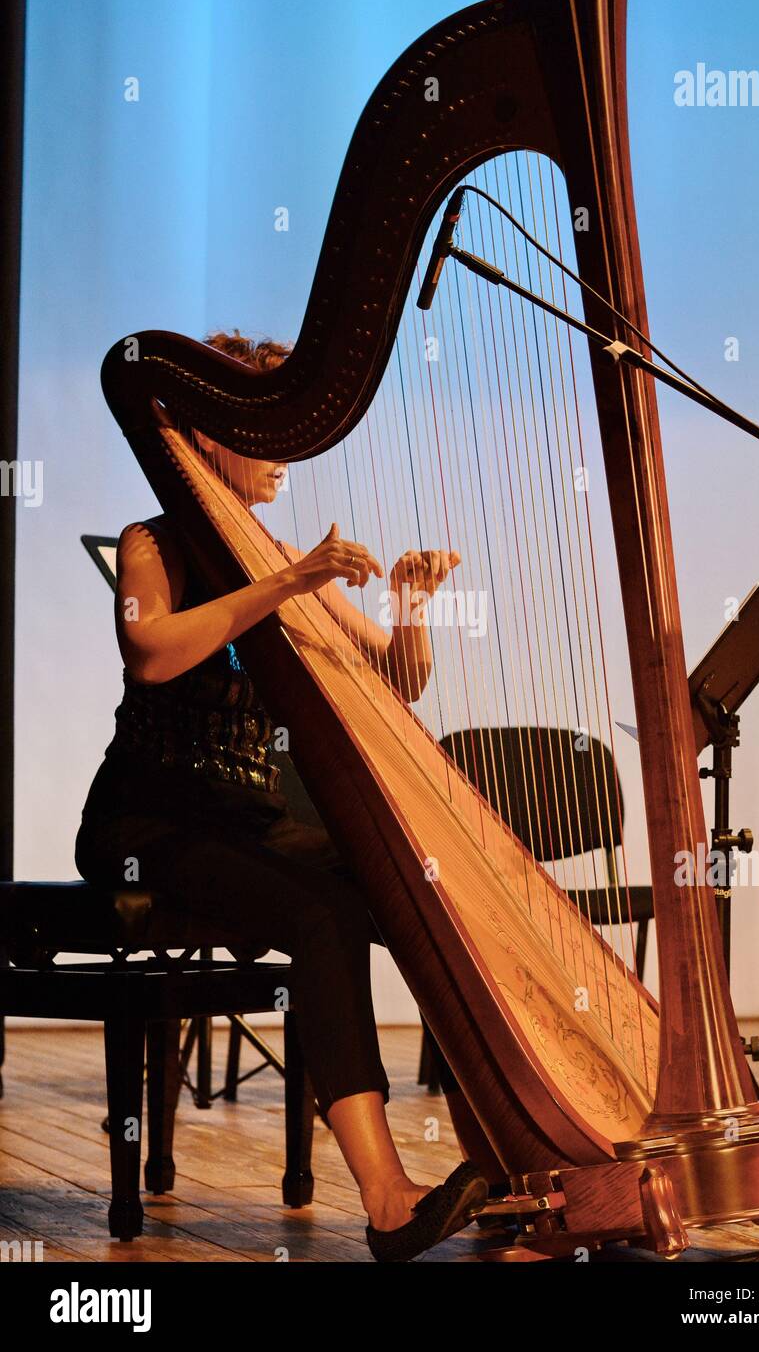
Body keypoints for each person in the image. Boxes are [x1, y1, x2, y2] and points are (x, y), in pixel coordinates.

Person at [75, 330, 486, 1261]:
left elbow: (395, 679)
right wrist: (288, 580)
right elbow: (153, 654)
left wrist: (411, 607)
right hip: (149, 822)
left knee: (415, 886)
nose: (287, 457)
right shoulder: (155, 545)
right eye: (268, 434)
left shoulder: (277, 551)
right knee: (320, 913)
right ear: (212, 436)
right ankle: (386, 1200)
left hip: (247, 819)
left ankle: (505, 1150)